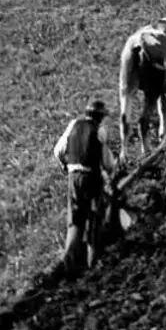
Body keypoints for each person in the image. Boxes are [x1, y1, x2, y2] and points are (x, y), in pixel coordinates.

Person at [53, 100, 117, 276]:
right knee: (94, 218)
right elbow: (107, 162)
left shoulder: (73, 124)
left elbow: (58, 150)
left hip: (73, 178)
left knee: (74, 221)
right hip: (91, 178)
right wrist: (111, 171)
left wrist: (65, 166)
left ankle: (68, 264)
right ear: (100, 117)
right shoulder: (99, 131)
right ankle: (92, 263)